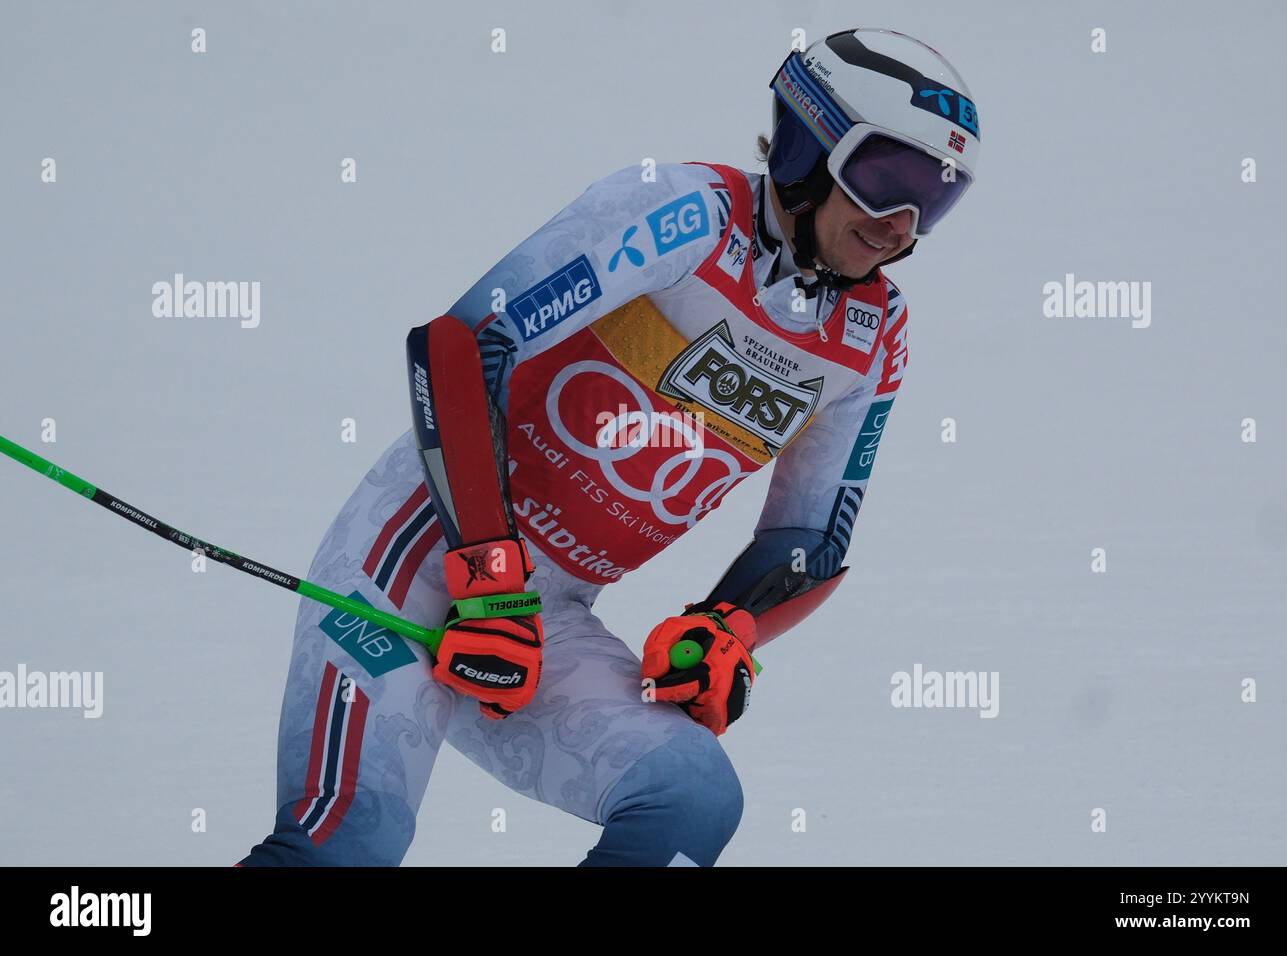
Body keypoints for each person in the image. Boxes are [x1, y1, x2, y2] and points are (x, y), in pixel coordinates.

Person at [239, 27, 981, 867]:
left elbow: (810, 540)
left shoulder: (872, 336)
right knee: (347, 845)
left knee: (691, 796)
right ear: (811, 144)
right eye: (890, 180)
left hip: (541, 617)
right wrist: (487, 576)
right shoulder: (683, 211)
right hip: (410, 563)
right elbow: (461, 346)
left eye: (937, 197)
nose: (902, 223)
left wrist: (725, 628)